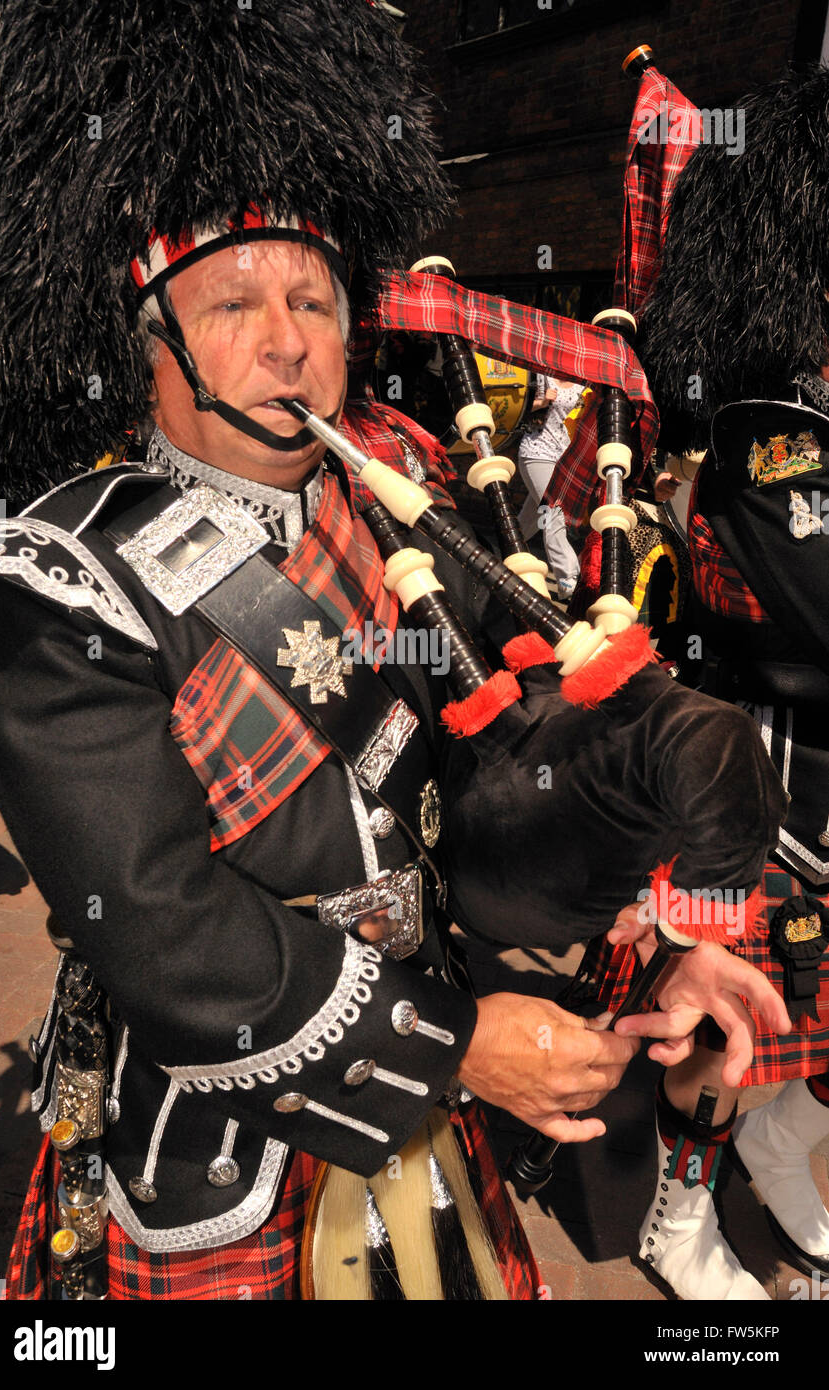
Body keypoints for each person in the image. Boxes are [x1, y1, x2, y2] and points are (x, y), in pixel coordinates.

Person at [0, 0, 790, 1301]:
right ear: (147, 341)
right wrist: (459, 1046)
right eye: (234, 300)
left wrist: (670, 890)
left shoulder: (399, 478)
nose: (290, 339)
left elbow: (505, 748)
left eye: (315, 297)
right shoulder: (54, 574)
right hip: (229, 1113)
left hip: (432, 1039)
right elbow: (164, 932)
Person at [577, 64, 829, 1301]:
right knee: (721, 1038)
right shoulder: (770, 431)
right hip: (765, 788)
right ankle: (677, 1220)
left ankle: (782, 1162)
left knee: (810, 1049)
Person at [517, 376, 584, 599]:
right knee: (553, 511)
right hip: (537, 451)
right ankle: (568, 578)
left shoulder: (583, 384)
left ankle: (504, 553)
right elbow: (520, 412)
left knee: (533, 517)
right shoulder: (541, 377)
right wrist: (543, 402)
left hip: (564, 457)